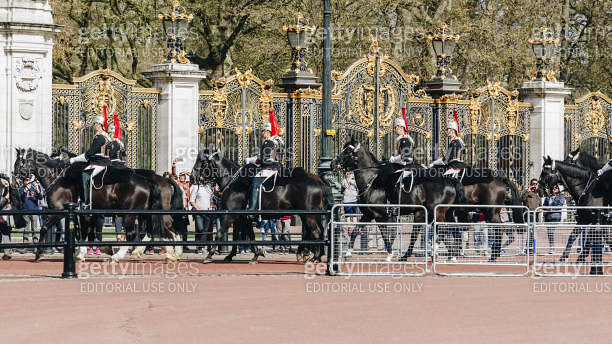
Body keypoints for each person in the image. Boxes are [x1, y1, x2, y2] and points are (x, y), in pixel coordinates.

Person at [69, 113, 112, 209]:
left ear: (98, 124)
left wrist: (74, 159)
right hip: (104, 162)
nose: (93, 126)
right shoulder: (107, 136)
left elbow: (89, 154)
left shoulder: (99, 137)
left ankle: (86, 203)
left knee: (84, 175)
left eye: (94, 124)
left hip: (99, 163)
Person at [246, 114, 282, 211]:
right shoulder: (274, 142)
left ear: (267, 132)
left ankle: (252, 208)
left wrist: (254, 160)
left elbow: (265, 159)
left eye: (263, 131)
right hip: (275, 168)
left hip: (268, 169)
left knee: (254, 183)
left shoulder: (267, 142)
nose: (262, 133)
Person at [189, 182, 214, 254]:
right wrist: (198, 209)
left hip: (207, 212)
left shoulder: (209, 188)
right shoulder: (196, 187)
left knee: (205, 230)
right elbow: (192, 200)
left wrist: (211, 206)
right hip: (199, 213)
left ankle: (201, 247)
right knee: (200, 229)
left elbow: (211, 199)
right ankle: (200, 247)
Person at [19, 175, 42, 247]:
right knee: (26, 229)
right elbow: (21, 198)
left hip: (34, 210)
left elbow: (40, 198)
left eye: (29, 180)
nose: (28, 181)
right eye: (26, 180)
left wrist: (38, 191)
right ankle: (25, 246)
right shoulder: (21, 189)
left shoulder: (35, 187)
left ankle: (35, 245)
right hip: (25, 211)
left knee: (34, 229)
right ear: (24, 181)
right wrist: (25, 190)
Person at [543, 184, 564, 255]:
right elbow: (544, 205)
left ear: (559, 189)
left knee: (550, 231)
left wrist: (551, 209)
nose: (554, 189)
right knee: (549, 232)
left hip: (555, 216)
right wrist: (544, 209)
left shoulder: (561, 197)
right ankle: (551, 247)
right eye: (553, 188)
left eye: (556, 188)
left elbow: (560, 206)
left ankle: (552, 248)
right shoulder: (548, 197)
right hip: (548, 217)